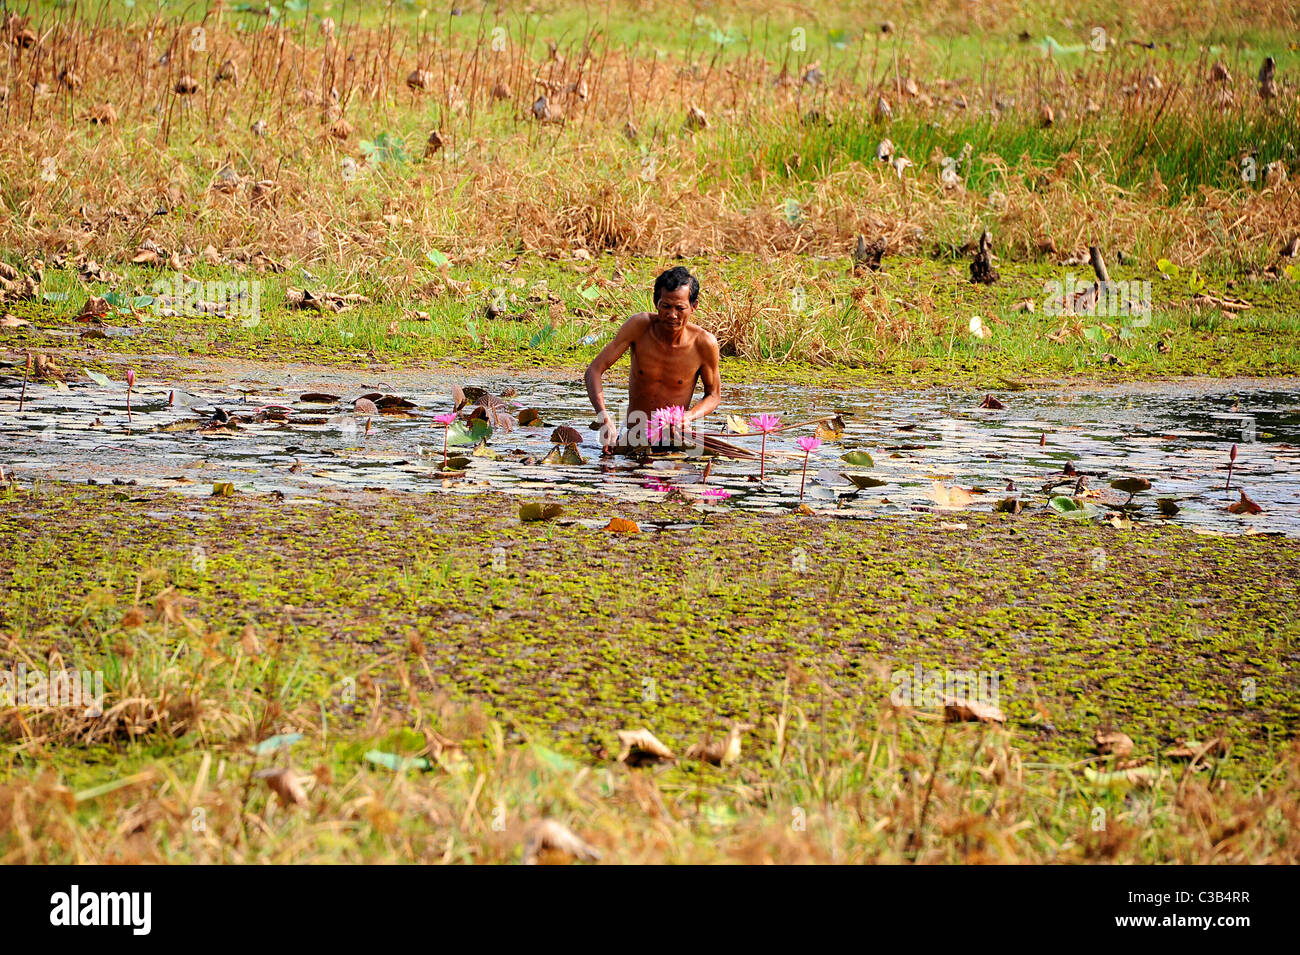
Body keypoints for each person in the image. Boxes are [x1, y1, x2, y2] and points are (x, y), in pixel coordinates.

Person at [583, 266, 721, 454]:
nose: (672, 315)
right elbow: (594, 369)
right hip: (633, 435)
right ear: (656, 302)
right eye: (666, 306)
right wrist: (604, 417)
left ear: (694, 306)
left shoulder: (704, 343)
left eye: (680, 308)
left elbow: (713, 395)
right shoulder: (638, 326)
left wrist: (689, 416)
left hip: (674, 439)